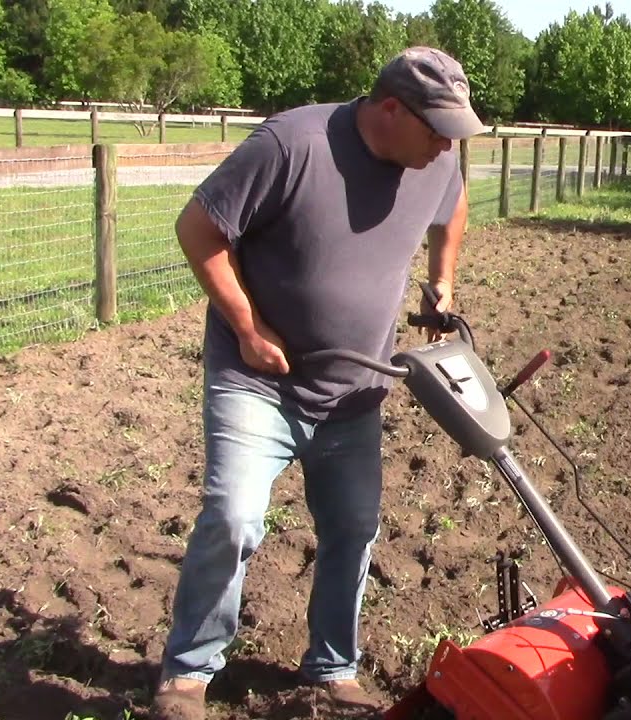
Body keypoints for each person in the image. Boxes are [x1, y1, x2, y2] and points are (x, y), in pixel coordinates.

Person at [151, 47, 484, 720]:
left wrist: (442, 282)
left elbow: (453, 210)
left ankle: (332, 666)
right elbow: (198, 229)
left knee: (353, 527)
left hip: (355, 388)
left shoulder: (438, 159)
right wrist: (246, 326)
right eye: (436, 129)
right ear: (390, 109)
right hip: (260, 378)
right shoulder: (291, 145)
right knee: (234, 516)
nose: (446, 145)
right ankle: (188, 673)